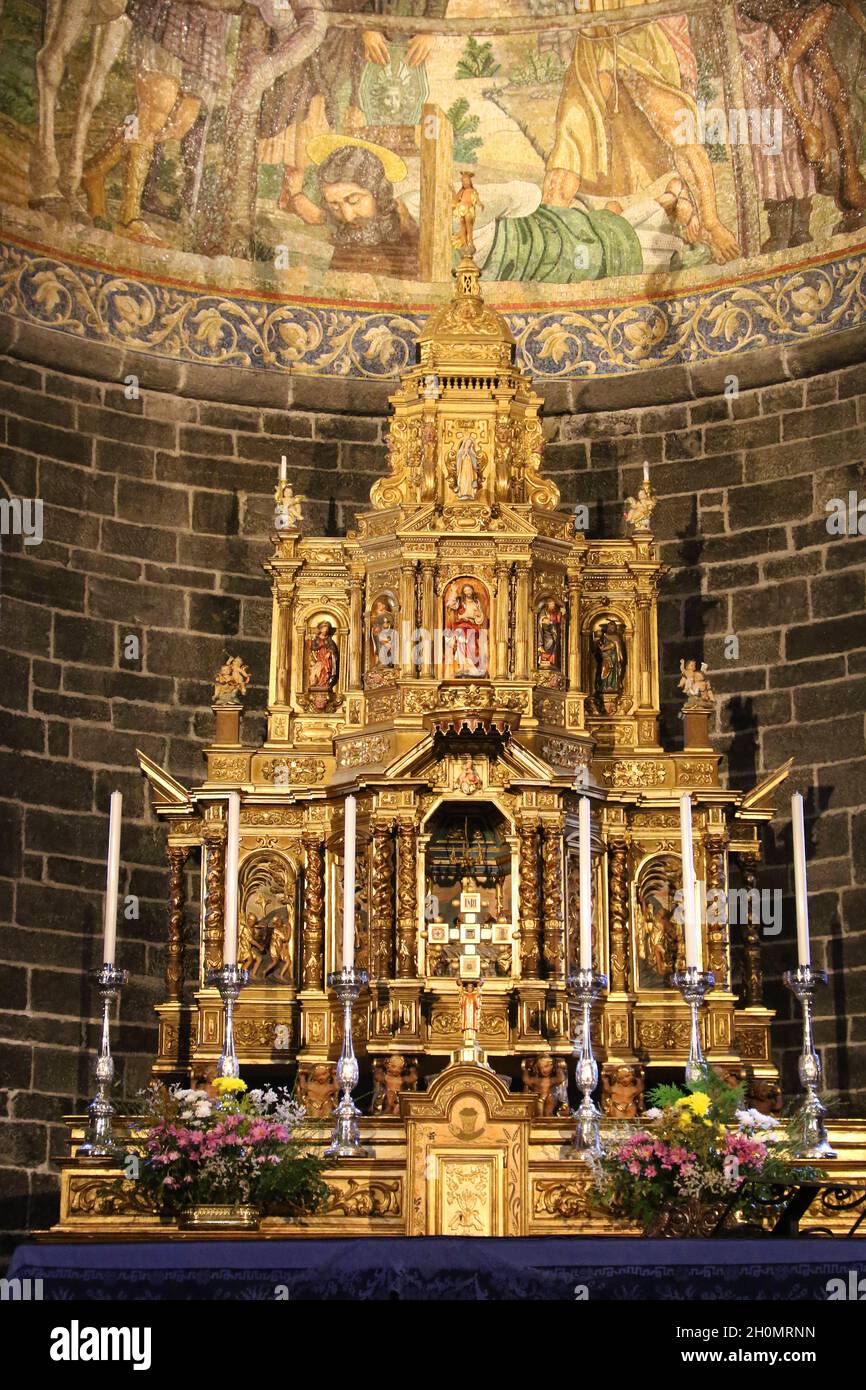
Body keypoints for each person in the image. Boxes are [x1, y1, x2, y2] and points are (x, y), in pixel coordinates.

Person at [542, 0, 739, 265]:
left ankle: (712, 223)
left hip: (638, 36)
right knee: (572, 133)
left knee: (674, 121)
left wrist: (710, 222)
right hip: (593, 41)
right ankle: (544, 242)